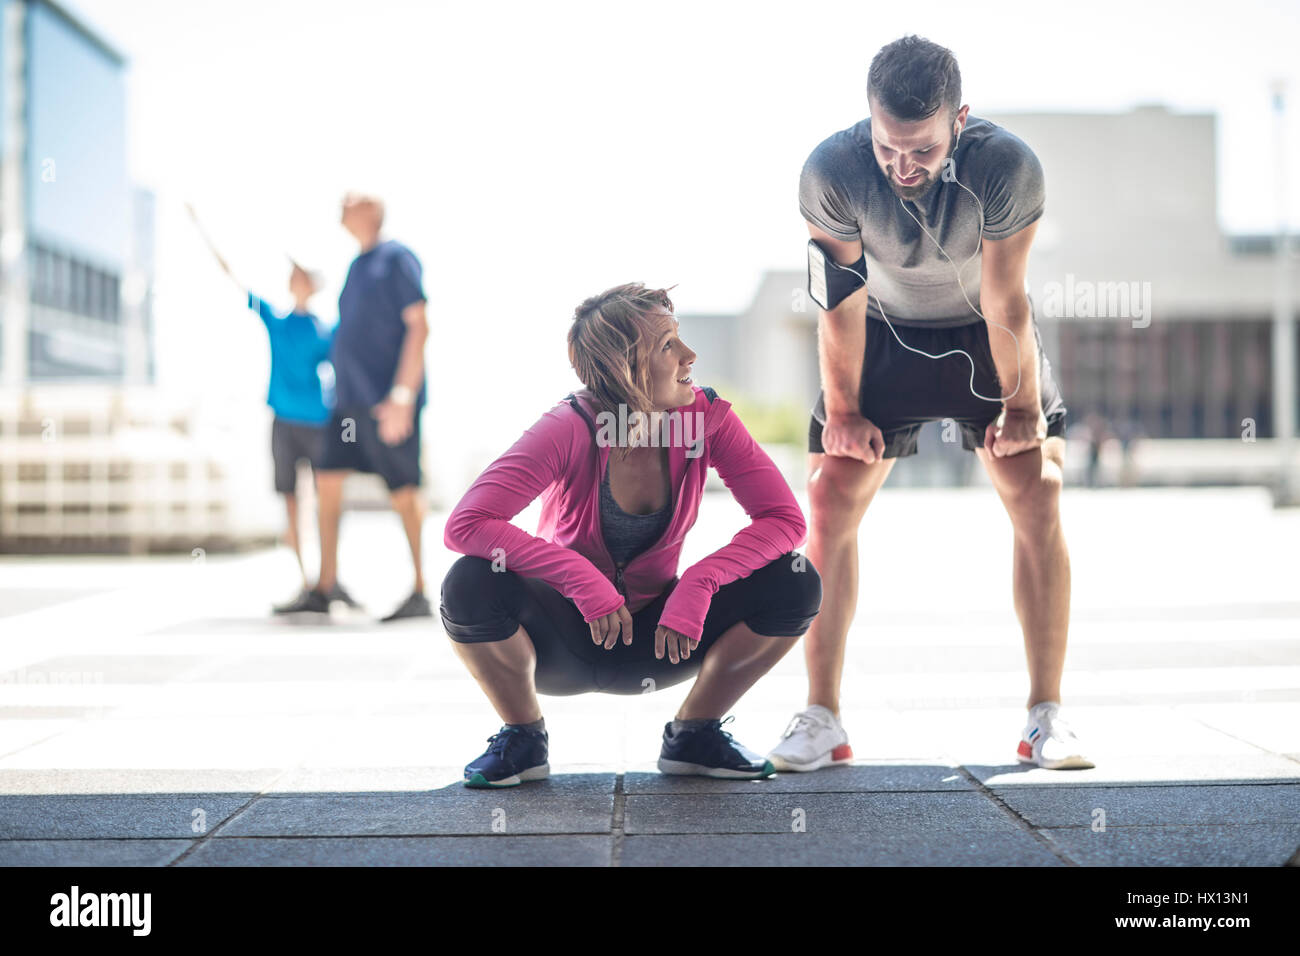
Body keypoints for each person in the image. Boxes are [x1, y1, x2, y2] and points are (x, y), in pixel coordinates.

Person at [770, 35, 1093, 771]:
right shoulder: (832, 171)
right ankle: (823, 716)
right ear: (869, 122)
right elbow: (837, 304)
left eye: (922, 149)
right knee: (828, 497)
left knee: (1036, 488)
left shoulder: (1007, 167)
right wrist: (845, 412)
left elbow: (1004, 294)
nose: (904, 166)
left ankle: (1047, 715)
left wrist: (1018, 408)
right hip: (880, 333)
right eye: (890, 147)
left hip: (985, 333)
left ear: (960, 120)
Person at [439, 283, 822, 787]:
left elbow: (784, 519)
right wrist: (579, 578)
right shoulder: (569, 426)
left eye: (679, 338)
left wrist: (701, 581)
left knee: (794, 578)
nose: (690, 355)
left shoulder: (705, 418)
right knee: (470, 581)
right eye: (667, 345)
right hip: (562, 643)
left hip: (660, 641)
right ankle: (523, 739)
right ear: (625, 366)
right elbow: (467, 524)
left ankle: (695, 736)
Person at [186, 204, 360, 612]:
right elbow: (232, 276)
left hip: (319, 423)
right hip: (282, 423)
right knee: (292, 503)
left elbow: (345, 365)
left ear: (311, 286)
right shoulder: (276, 319)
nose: (292, 278)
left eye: (300, 274)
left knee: (326, 501)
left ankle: (328, 580)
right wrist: (201, 226)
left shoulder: (324, 329)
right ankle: (306, 585)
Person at [277, 192, 431, 622]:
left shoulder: (397, 258)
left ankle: (419, 589)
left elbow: (419, 326)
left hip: (386, 403)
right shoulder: (356, 266)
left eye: (353, 197)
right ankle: (325, 586)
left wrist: (402, 394)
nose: (343, 200)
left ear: (373, 210)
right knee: (326, 477)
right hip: (346, 407)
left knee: (403, 488)